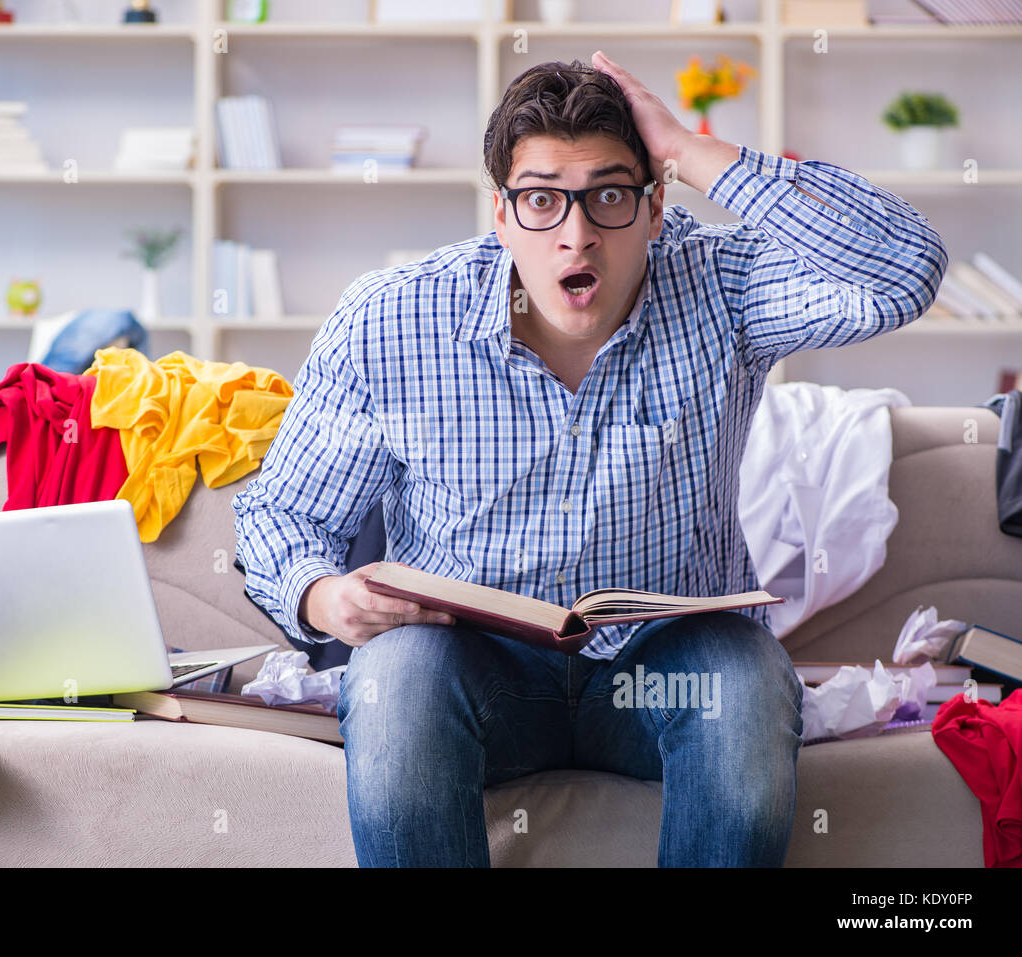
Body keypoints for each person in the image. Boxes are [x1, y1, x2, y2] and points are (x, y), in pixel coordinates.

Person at [231, 51, 948, 867]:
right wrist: (322, 597)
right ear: (501, 215)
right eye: (542, 200)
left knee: (743, 678)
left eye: (609, 195)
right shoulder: (392, 320)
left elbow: (904, 270)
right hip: (473, 684)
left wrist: (693, 148)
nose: (577, 235)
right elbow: (282, 514)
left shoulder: (723, 286)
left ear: (655, 207)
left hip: (660, 683)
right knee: (395, 679)